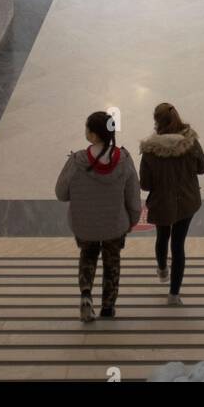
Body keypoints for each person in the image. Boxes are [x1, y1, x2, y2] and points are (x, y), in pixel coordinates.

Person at [55, 110, 142, 323]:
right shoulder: (124, 159)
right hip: (115, 223)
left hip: (85, 224)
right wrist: (132, 219)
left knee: (88, 256)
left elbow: (61, 193)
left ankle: (86, 295)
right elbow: (133, 195)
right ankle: (108, 307)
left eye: (87, 128)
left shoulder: (77, 161)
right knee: (112, 263)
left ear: (93, 135)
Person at [139, 103, 204, 306]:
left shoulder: (150, 151)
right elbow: (202, 168)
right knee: (178, 245)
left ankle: (162, 270)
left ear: (156, 122)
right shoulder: (191, 143)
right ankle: (174, 295)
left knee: (162, 236)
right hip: (187, 200)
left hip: (162, 203)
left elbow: (145, 184)